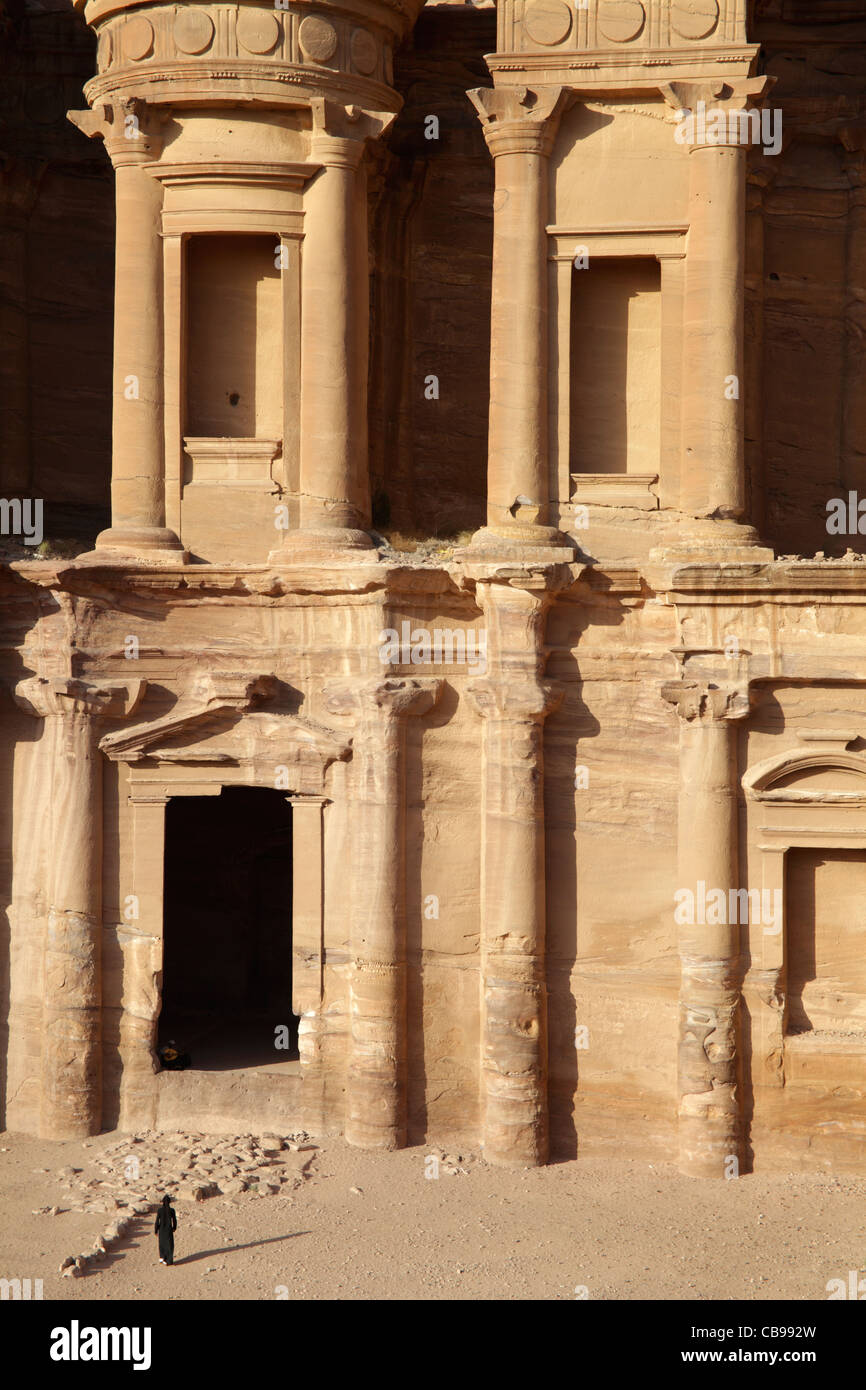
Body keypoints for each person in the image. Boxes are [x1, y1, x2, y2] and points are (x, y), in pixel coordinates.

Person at [154, 1194, 178, 1266]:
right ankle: (169, 1261)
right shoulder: (172, 1210)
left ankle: (163, 1257)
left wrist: (156, 1230)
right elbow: (174, 1220)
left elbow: (157, 1221)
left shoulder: (160, 1210)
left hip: (161, 1230)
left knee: (162, 1244)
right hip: (169, 1230)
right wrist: (174, 1228)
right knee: (169, 1245)